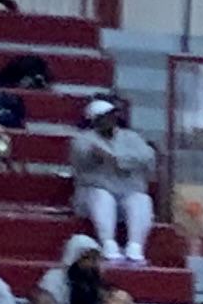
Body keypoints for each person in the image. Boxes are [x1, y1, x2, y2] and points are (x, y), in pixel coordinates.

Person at [67, 98, 159, 266]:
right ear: (93, 120)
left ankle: (135, 246)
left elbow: (147, 157)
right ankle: (108, 243)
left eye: (111, 115)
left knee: (141, 200)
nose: (109, 120)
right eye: (103, 117)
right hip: (94, 193)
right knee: (102, 197)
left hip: (128, 190)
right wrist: (104, 158)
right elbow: (85, 156)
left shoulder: (132, 137)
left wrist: (117, 160)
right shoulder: (82, 139)